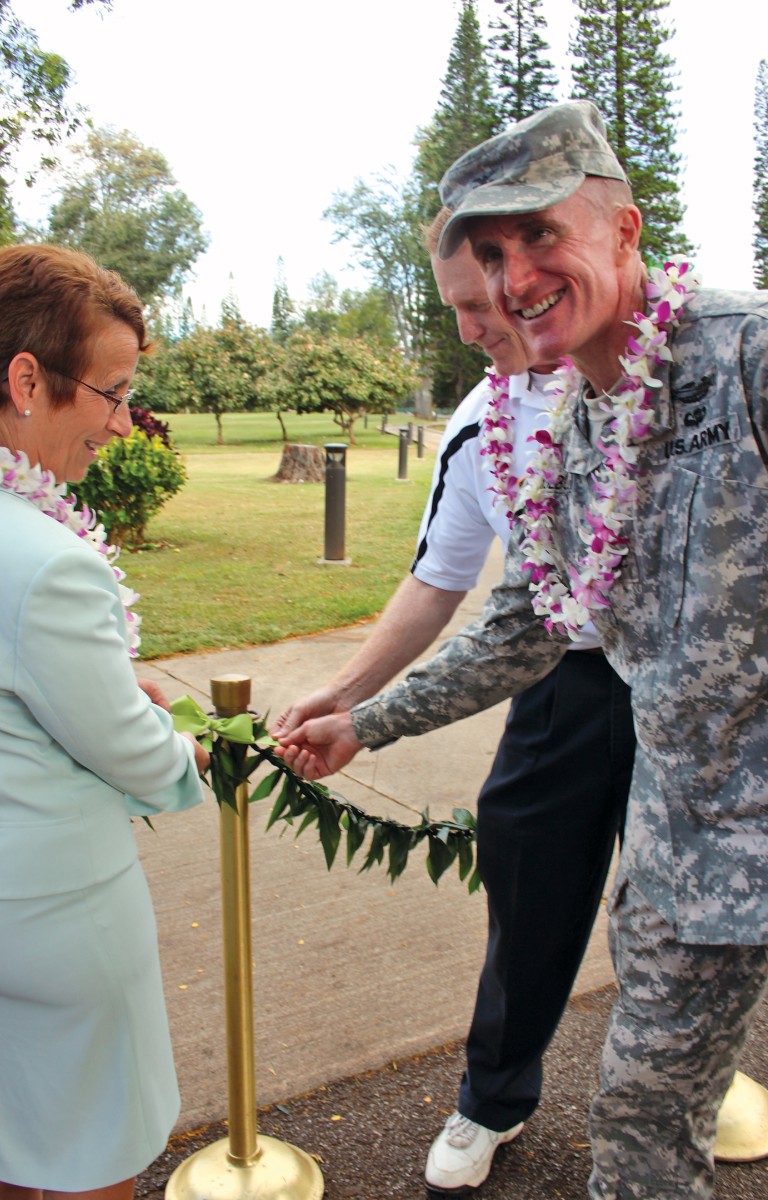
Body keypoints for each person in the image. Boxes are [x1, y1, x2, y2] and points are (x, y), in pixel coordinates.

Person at [278, 100, 768, 1200]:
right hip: (688, 860)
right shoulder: (584, 423)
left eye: (538, 235)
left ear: (623, 227)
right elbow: (532, 618)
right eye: (487, 256)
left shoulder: (747, 353)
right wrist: (366, 716)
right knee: (639, 1124)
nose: (510, 281)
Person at [275, 212, 635, 1194]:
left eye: (484, 303)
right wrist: (346, 694)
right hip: (562, 668)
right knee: (528, 882)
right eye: (458, 309)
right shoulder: (482, 419)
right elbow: (441, 580)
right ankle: (491, 1099)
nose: (475, 327)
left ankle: (678, 1085)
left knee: (686, 908)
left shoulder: (667, 371)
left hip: (697, 691)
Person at [0, 244, 210, 1200]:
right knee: (90, 1148)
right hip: (56, 912)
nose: (121, 424)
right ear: (28, 379)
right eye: (111, 393)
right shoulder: (44, 561)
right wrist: (181, 748)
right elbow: (127, 751)